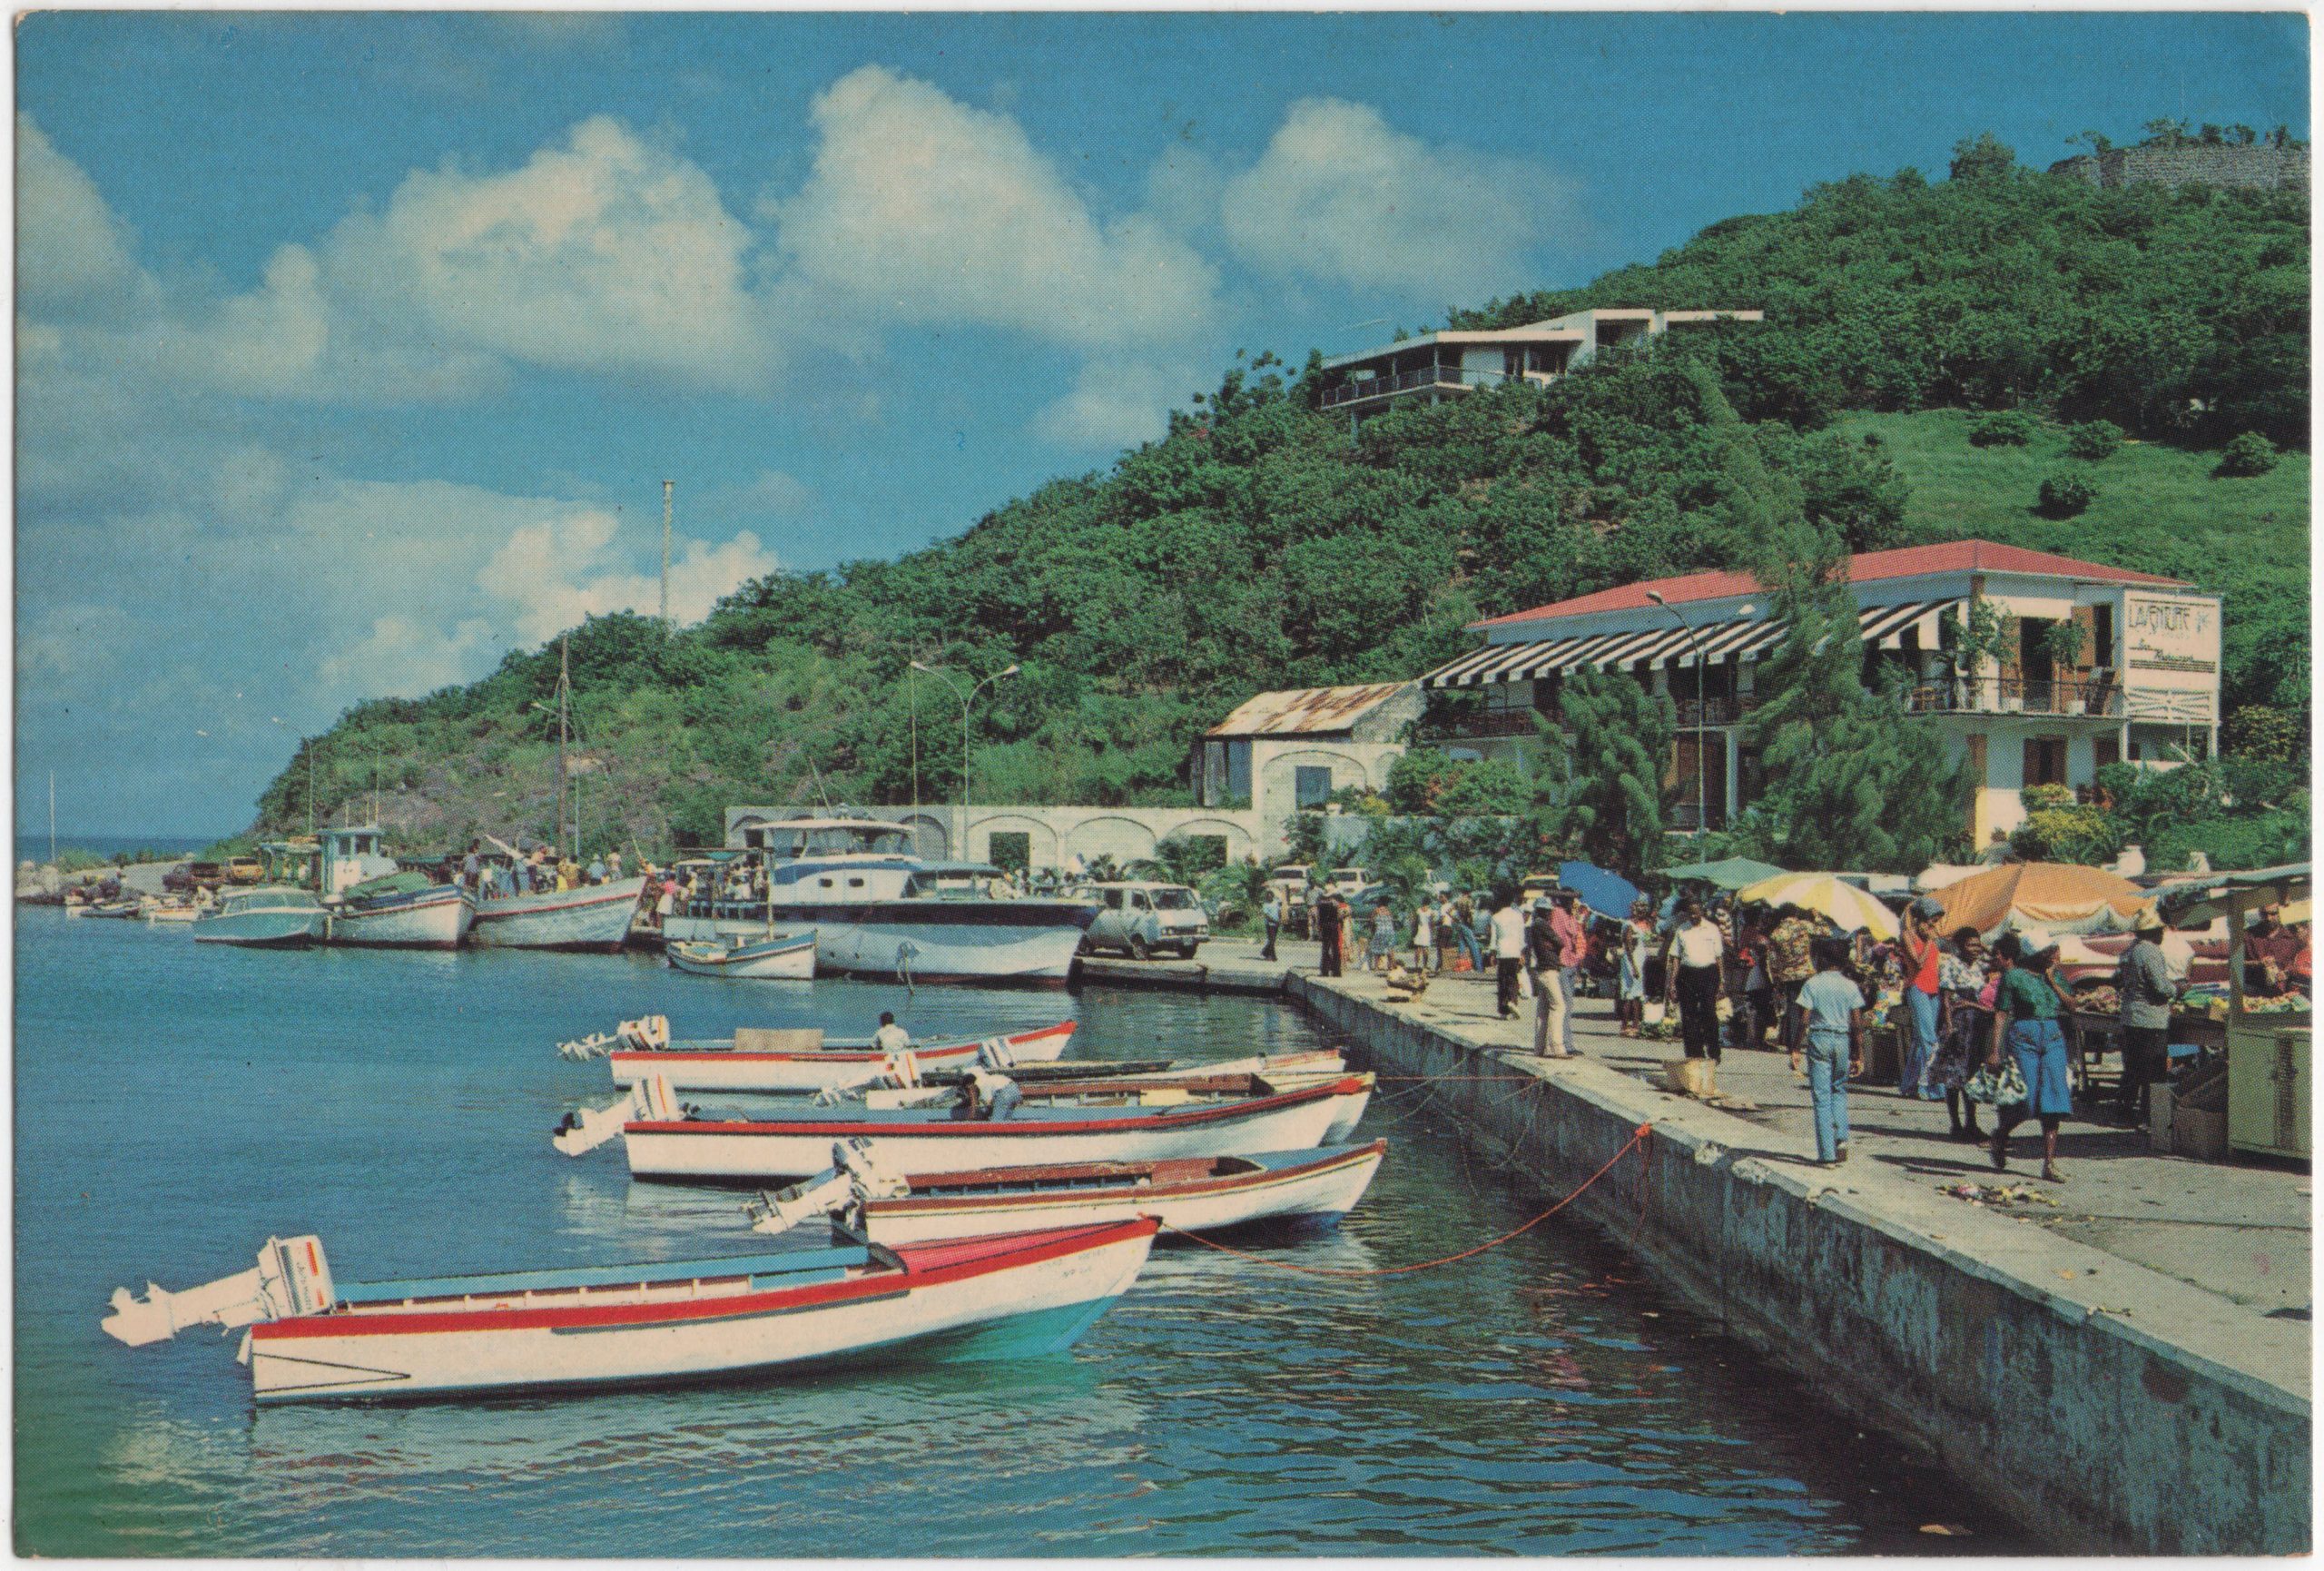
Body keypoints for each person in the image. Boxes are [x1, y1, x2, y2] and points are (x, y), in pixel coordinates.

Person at [1989, 940, 2077, 1183]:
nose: (2052, 956)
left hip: (2053, 1036)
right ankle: (2001, 1135)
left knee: (2054, 1099)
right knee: (2027, 1100)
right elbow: (2001, 1013)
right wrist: (1995, 1050)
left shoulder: (2055, 976)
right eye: (2047, 952)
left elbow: (2072, 1006)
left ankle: (2049, 1163)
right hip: (2023, 1037)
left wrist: (2053, 982)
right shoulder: (2013, 977)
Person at [1792, 936, 1865, 1165]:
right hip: (1842, 1040)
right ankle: (1841, 1138)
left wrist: (1795, 1048)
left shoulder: (1812, 984)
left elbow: (1804, 1020)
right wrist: (1859, 1055)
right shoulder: (1850, 986)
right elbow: (1857, 1025)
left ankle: (1827, 1154)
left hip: (1819, 1038)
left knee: (1822, 1097)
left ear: (1820, 959)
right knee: (1839, 1090)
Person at [2115, 910, 2178, 1125]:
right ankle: (2150, 1117)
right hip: (2150, 1019)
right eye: (2160, 931)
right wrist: (2176, 989)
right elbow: (2160, 987)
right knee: (2154, 1071)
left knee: (2134, 1069)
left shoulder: (2131, 950)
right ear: (2153, 932)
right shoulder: (2149, 951)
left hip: (2131, 1016)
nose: (2163, 934)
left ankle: (2126, 1112)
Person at [1933, 926, 1992, 1141]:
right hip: (1958, 1022)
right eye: (1970, 945)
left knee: (1971, 1074)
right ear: (1960, 946)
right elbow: (1946, 998)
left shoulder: (1980, 966)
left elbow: (1999, 959)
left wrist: (1982, 946)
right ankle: (1956, 1124)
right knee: (1953, 1075)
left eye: (1977, 944)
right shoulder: (1950, 964)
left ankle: (1972, 1123)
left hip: (1977, 1023)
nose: (1975, 949)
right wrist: (1949, 1026)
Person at [1664, 897, 1726, 1062]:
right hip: (1687, 974)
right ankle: (1694, 1053)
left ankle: (1714, 1051)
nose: (1693, 917)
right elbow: (1676, 958)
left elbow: (1719, 957)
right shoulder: (1681, 930)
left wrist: (1722, 981)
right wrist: (1672, 983)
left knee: (1709, 1012)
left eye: (1696, 913)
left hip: (1708, 973)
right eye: (1690, 914)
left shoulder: (1712, 929)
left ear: (1702, 912)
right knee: (1689, 1015)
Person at [1898, 896, 1947, 1102]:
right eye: (1931, 921)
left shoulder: (1933, 938)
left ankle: (1908, 1085)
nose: (1933, 926)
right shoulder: (1908, 936)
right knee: (1929, 1039)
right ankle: (1936, 1088)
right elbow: (1917, 963)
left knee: (1920, 1040)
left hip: (1933, 989)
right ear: (1921, 919)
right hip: (1917, 988)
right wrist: (1928, 942)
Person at [1766, 904, 1820, 1050]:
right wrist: (1817, 916)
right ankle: (1811, 1040)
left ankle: (1793, 1043)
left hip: (1788, 975)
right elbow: (1826, 932)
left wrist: (1776, 979)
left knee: (1792, 1007)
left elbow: (1772, 960)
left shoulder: (1776, 933)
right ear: (1796, 912)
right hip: (1806, 972)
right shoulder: (1804, 926)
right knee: (1809, 1005)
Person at [1528, 898, 1571, 1056]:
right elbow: (1560, 942)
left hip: (1543, 969)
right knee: (1559, 1006)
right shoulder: (1542, 925)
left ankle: (1539, 1048)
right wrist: (1553, 945)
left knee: (1543, 1011)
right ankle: (1557, 1046)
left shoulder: (1535, 925)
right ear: (1544, 911)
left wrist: (1551, 945)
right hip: (1548, 969)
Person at [1548, 890, 1587, 1056]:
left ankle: (1566, 1041)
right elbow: (1559, 938)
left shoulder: (1572, 916)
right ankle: (1565, 1043)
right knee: (1565, 1003)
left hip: (1571, 962)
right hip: (1562, 962)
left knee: (1568, 1004)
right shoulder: (1558, 913)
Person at [2245, 904, 2301, 997]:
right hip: (2252, 993)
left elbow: (2297, 965)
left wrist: (2287, 973)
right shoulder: (2248, 935)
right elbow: (2235, 963)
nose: (2269, 918)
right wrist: (2257, 963)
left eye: (2273, 914)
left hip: (2281, 995)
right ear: (2259, 913)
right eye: (2264, 914)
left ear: (2279, 913)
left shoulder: (2292, 939)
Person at [1617, 900, 1654, 1037]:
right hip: (1632, 963)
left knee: (1635, 995)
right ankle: (1628, 1025)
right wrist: (1634, 968)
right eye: (1639, 909)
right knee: (1631, 995)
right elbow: (1628, 947)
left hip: (1638, 961)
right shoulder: (1629, 926)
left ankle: (1633, 1025)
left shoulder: (1639, 925)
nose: (1641, 912)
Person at [1489, 891, 1527, 1020]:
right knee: (1513, 978)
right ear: (1511, 901)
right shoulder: (1518, 916)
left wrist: (1492, 954)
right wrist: (1522, 953)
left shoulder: (1496, 917)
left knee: (1502, 980)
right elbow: (1521, 936)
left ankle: (1504, 1010)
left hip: (1502, 951)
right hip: (1515, 950)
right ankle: (1513, 1001)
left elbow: (1493, 939)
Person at [1315, 891, 1344, 979]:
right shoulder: (1335, 904)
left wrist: (1319, 928)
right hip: (1334, 926)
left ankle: (1325, 971)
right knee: (1335, 949)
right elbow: (1340, 916)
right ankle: (1336, 971)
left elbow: (1318, 918)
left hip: (1324, 927)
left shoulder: (1320, 904)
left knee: (1325, 949)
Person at [1367, 900, 1396, 973]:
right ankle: (1391, 966)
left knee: (1377, 949)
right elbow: (1391, 921)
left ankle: (1376, 967)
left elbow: (1372, 921)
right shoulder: (1388, 911)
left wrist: (1372, 930)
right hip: (1390, 932)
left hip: (1380, 931)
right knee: (1390, 949)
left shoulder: (1376, 910)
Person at [1410, 897, 1436, 973]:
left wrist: (1413, 932)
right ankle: (1425, 966)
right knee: (1425, 949)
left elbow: (1414, 922)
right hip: (1427, 931)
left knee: (1417, 949)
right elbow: (1432, 924)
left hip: (1419, 930)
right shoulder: (1431, 912)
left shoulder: (1418, 910)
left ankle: (1416, 965)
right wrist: (1433, 933)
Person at [1260, 887, 1283, 962]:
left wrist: (1280, 919)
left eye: (1271, 896)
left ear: (1273, 896)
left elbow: (1279, 911)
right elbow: (1267, 916)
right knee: (1272, 940)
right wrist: (1274, 921)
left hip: (1276, 923)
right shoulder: (1265, 905)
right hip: (1269, 924)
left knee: (1272, 940)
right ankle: (1271, 956)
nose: (1269, 898)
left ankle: (1265, 952)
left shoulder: (1276, 902)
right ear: (1266, 897)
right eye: (1268, 896)